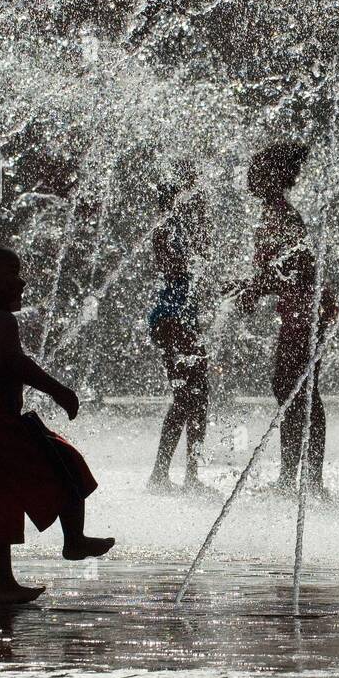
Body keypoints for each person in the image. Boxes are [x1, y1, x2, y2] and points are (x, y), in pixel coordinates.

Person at [0, 242, 114, 604]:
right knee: (65, 462)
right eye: (12, 275)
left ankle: (5, 585)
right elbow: (12, 362)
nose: (22, 283)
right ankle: (74, 540)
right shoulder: (0, 320)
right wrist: (57, 390)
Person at [239, 141, 338, 498]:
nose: (250, 175)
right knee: (292, 390)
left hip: (307, 311)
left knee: (298, 391)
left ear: (275, 176)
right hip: (300, 309)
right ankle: (297, 478)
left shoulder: (282, 214)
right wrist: (252, 287)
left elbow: (298, 268)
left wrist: (254, 288)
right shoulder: (274, 212)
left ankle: (308, 481)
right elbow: (281, 269)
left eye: (258, 168)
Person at [147, 165, 213, 495]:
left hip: (179, 318)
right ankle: (174, 475)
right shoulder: (168, 229)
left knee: (194, 399)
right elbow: (178, 268)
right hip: (174, 320)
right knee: (189, 398)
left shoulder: (173, 227)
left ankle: (182, 474)